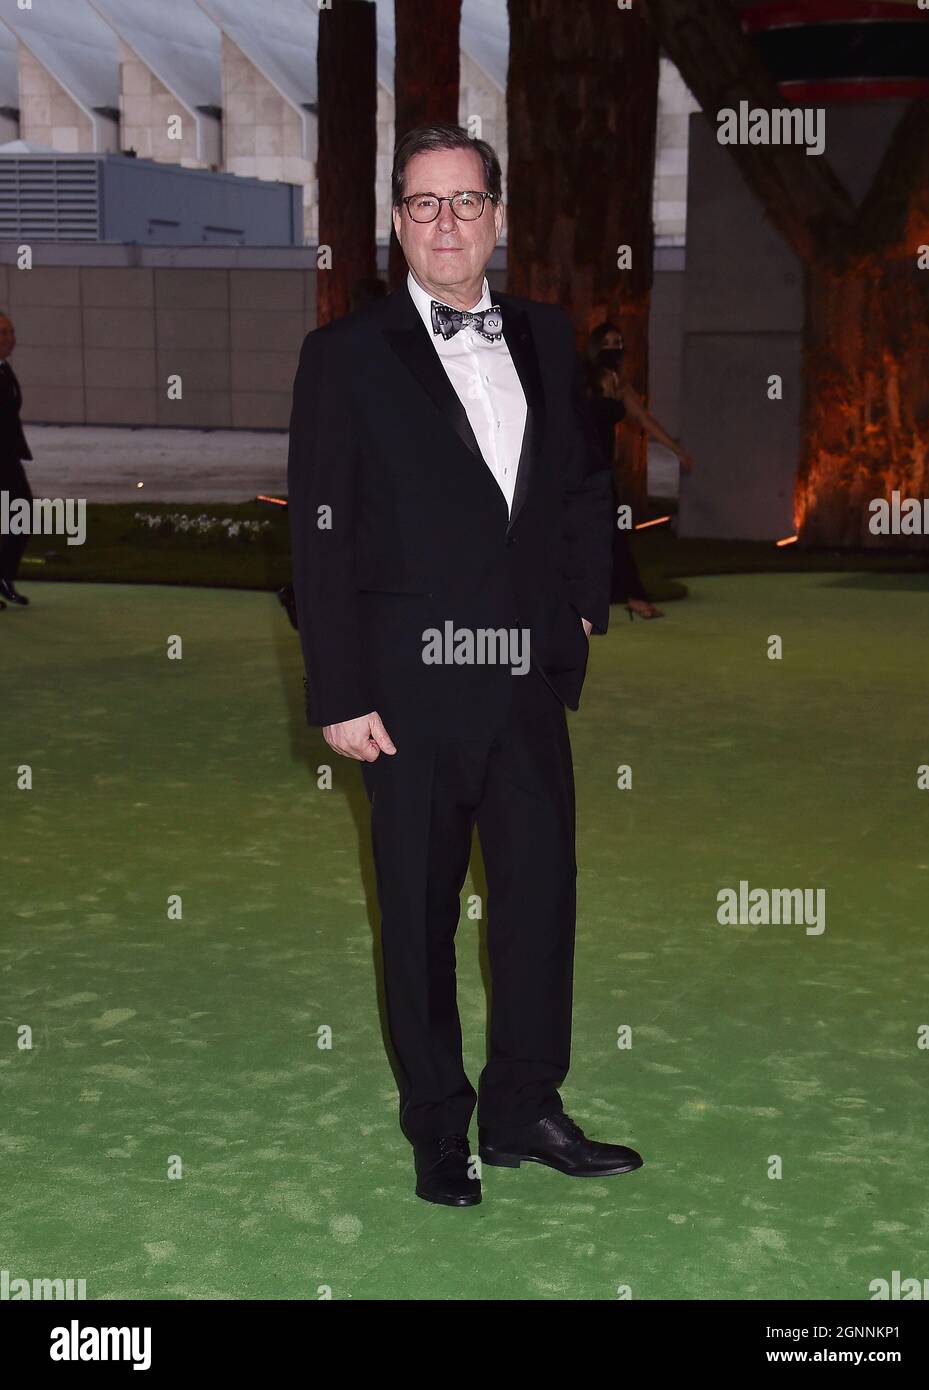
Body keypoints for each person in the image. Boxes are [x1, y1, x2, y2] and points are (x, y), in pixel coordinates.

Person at [288, 123, 643, 1207]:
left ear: (495, 216)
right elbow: (321, 530)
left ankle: (527, 1106)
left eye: (466, 200)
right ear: (399, 223)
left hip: (526, 678)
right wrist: (341, 690)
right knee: (421, 915)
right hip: (407, 688)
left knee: (540, 903)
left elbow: (582, 484)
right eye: (423, 202)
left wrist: (583, 608)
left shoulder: (543, 329)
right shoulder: (344, 355)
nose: (446, 221)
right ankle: (440, 1128)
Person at [585, 322, 695, 620]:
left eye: (618, 341)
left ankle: (628, 596)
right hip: (578, 466)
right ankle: (631, 597)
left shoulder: (620, 384)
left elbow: (644, 421)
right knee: (593, 534)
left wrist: (676, 449)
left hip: (601, 469)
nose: (613, 346)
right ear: (596, 346)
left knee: (612, 533)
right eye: (607, 341)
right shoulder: (584, 380)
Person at [0, 312, 33, 609]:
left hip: (8, 459)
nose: (10, 339)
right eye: (2, 333)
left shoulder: (4, 370)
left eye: (11, 331)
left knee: (21, 517)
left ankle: (4, 576)